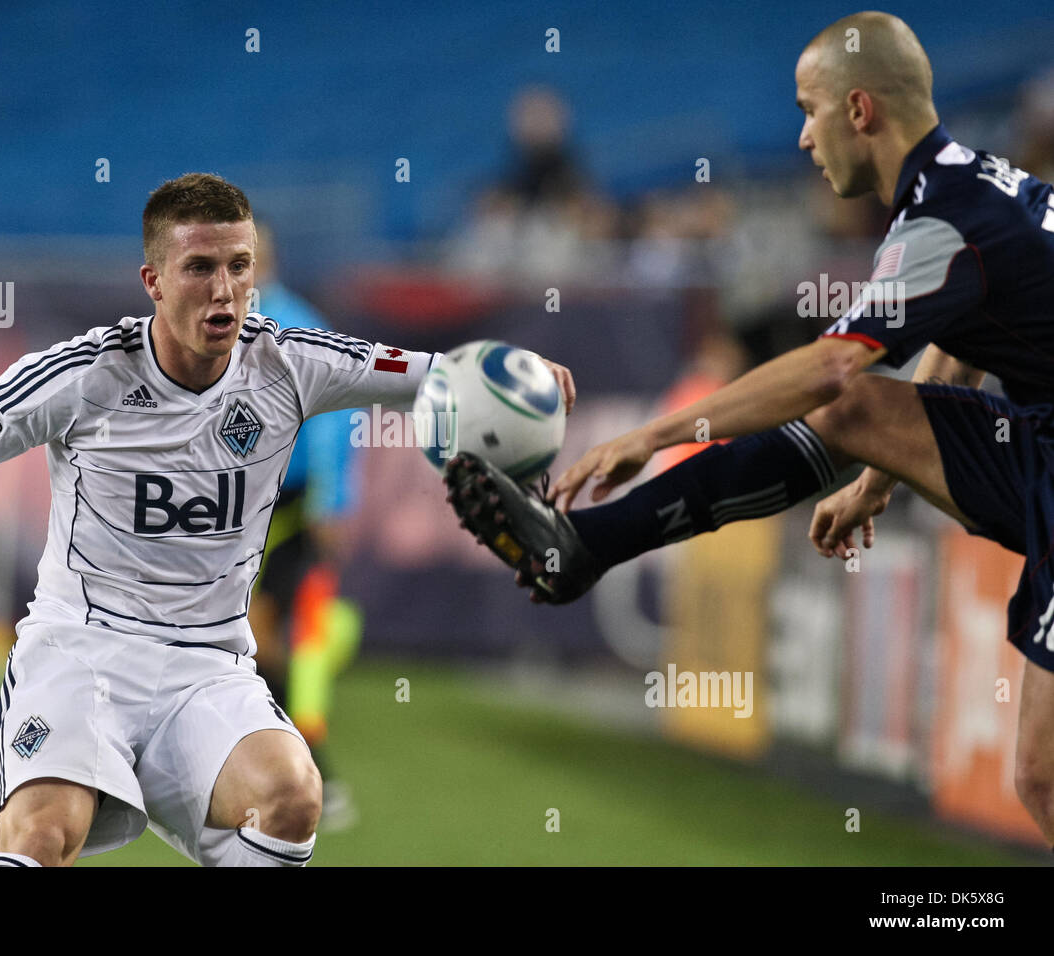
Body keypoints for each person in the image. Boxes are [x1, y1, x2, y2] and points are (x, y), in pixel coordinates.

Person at [0, 172, 575, 867]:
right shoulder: (83, 376)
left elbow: (439, 376)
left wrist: (522, 376)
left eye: (239, 268)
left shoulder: (291, 363)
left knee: (293, 795)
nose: (225, 290)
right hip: (82, 652)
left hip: (208, 666)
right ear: (154, 280)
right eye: (200, 268)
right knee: (39, 836)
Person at [444, 11, 1054, 845]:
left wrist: (651, 436)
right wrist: (880, 477)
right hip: (1038, 446)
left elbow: (828, 366)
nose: (803, 137)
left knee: (1042, 775)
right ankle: (581, 547)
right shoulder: (968, 186)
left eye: (810, 110)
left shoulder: (940, 221)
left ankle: (583, 548)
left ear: (860, 112)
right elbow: (958, 333)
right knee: (855, 414)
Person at [247, 222, 364, 831]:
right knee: (242, 642)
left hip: (283, 512)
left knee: (262, 636)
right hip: (222, 511)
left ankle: (310, 767)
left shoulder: (298, 324)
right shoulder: (210, 323)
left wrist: (333, 500)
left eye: (250, 256)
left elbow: (333, 419)